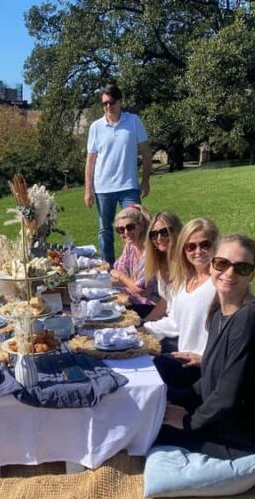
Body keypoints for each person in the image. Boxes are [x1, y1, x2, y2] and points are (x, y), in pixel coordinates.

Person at [157, 234, 255, 468]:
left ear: (253, 274)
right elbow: (211, 380)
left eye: (242, 268)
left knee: (152, 434)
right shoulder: (220, 313)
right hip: (227, 420)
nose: (229, 273)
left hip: (251, 442)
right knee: (156, 407)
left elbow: (227, 395)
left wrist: (189, 421)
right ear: (211, 266)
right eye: (222, 264)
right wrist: (172, 400)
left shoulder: (251, 318)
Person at [144, 218, 218, 387]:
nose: (198, 251)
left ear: (215, 244)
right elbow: (176, 322)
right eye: (191, 246)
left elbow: (235, 333)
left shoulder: (220, 283)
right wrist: (144, 328)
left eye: (204, 244)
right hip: (182, 357)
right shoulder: (184, 280)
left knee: (151, 373)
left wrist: (206, 360)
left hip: (203, 367)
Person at [84, 83, 152, 265]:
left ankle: (137, 265)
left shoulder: (133, 121)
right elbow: (90, 161)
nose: (108, 107)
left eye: (111, 102)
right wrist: (88, 190)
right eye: (104, 103)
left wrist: (145, 181)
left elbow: (146, 153)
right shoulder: (96, 127)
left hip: (129, 185)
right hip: (103, 187)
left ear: (120, 102)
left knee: (135, 226)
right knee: (105, 230)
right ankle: (110, 269)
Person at [110, 205, 157, 317]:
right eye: (121, 230)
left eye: (130, 227)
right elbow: (115, 271)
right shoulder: (130, 246)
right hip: (131, 299)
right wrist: (127, 280)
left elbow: (140, 290)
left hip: (150, 306)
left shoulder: (149, 251)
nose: (125, 232)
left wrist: (122, 277)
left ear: (141, 226)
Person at [142, 211, 184, 322]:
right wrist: (144, 322)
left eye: (165, 232)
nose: (159, 238)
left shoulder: (186, 264)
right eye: (154, 234)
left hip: (179, 327)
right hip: (167, 322)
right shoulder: (161, 264)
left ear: (177, 231)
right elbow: (165, 301)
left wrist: (147, 327)